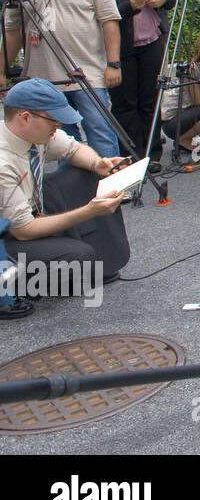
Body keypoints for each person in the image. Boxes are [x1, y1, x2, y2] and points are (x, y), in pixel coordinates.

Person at [0, 79, 129, 320]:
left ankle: (92, 263)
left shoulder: (30, 133)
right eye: (53, 119)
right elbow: (23, 231)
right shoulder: (2, 161)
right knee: (77, 256)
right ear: (25, 117)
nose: (58, 125)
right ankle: (12, 286)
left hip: (25, 211)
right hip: (8, 237)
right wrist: (89, 211)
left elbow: (73, 149)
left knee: (87, 173)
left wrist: (97, 163)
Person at [2, 0, 122, 159]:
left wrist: (113, 64)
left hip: (88, 74)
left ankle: (113, 185)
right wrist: (2, 70)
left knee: (101, 132)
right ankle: (73, 191)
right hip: (44, 79)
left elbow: (110, 22)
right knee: (60, 141)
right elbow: (13, 32)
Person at [86, 0, 175, 163]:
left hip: (151, 41)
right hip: (124, 47)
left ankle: (152, 152)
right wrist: (130, 6)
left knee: (150, 98)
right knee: (126, 103)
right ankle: (131, 154)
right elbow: (106, 15)